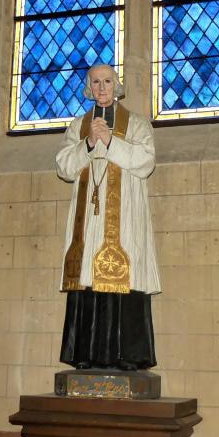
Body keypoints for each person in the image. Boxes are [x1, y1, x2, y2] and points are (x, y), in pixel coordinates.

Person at [56, 64, 160, 370]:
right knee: (88, 277)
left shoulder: (137, 124)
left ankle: (128, 355)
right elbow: (63, 167)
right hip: (89, 219)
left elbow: (146, 162)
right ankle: (85, 354)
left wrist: (111, 141)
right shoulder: (78, 126)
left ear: (117, 85)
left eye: (107, 81)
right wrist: (89, 142)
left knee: (126, 274)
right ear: (88, 87)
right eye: (96, 82)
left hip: (125, 216)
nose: (102, 88)